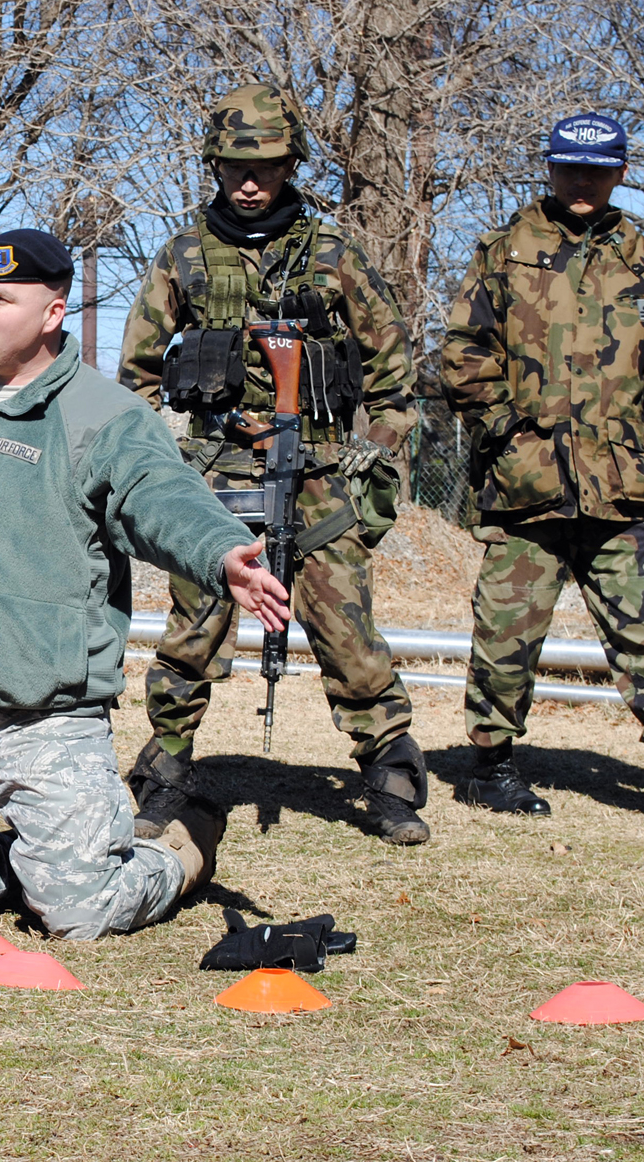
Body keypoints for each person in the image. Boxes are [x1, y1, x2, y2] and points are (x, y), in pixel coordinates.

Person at [0, 229, 290, 939]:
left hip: (47, 721)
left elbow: (163, 496)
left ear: (52, 314)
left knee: (80, 913)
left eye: (0, 298)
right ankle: (44, 858)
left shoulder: (102, 416)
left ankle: (182, 845)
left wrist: (221, 553)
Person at [117, 83, 428, 845]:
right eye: (233, 166)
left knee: (349, 636)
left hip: (320, 475)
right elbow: (136, 383)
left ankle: (389, 776)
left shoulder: (333, 253)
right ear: (213, 164)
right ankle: (166, 770)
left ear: (293, 163)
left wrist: (377, 476)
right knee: (195, 631)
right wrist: (162, 477)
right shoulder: (182, 256)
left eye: (268, 166)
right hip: (212, 474)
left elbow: (394, 379)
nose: (249, 182)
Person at [442, 112, 644, 820]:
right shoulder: (504, 251)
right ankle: (491, 766)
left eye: (597, 169)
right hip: (528, 482)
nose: (582, 181)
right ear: (548, 168)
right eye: (570, 168)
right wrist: (503, 437)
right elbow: (464, 356)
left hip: (624, 484)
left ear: (622, 173)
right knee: (507, 630)